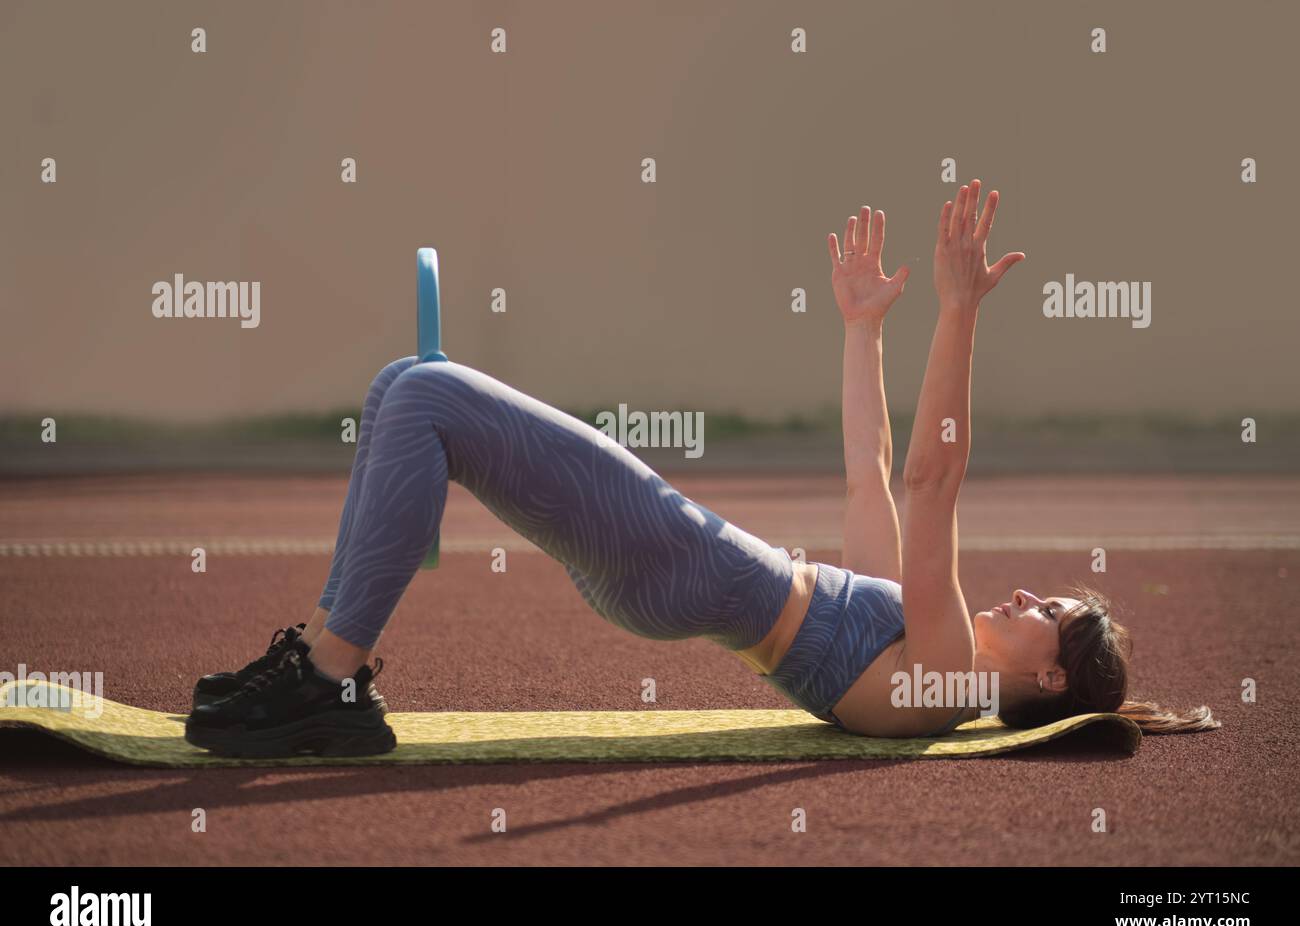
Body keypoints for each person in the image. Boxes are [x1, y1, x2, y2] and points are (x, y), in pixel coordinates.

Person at [184, 179, 1218, 757]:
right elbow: (869, 475)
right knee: (401, 383)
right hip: (684, 563)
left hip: (681, 560)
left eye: (1059, 613)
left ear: (1046, 677)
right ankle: (320, 655)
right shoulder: (916, 644)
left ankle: (326, 683)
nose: (1033, 594)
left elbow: (928, 481)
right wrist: (863, 331)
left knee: (423, 395)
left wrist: (959, 312)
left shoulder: (947, 679)